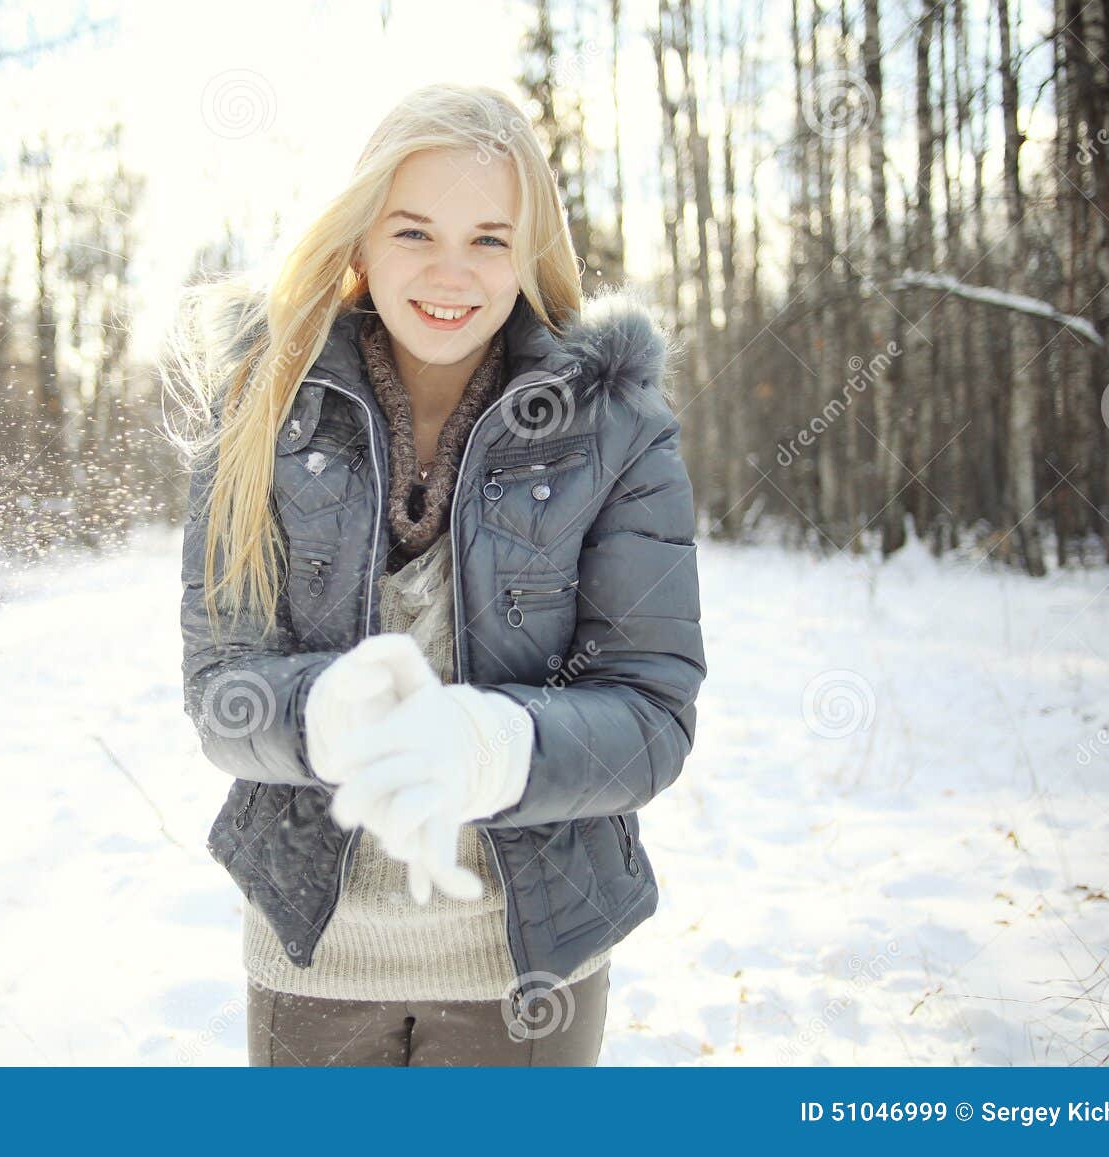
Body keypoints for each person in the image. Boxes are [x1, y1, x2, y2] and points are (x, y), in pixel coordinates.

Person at [166, 82, 706, 1067]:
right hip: (313, 952)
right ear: (362, 241)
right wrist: (327, 712)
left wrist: (495, 744)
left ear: (528, 251)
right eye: (415, 232)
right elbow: (220, 690)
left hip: (527, 962)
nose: (452, 272)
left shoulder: (614, 425)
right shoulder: (261, 405)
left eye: (489, 238)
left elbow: (652, 713)